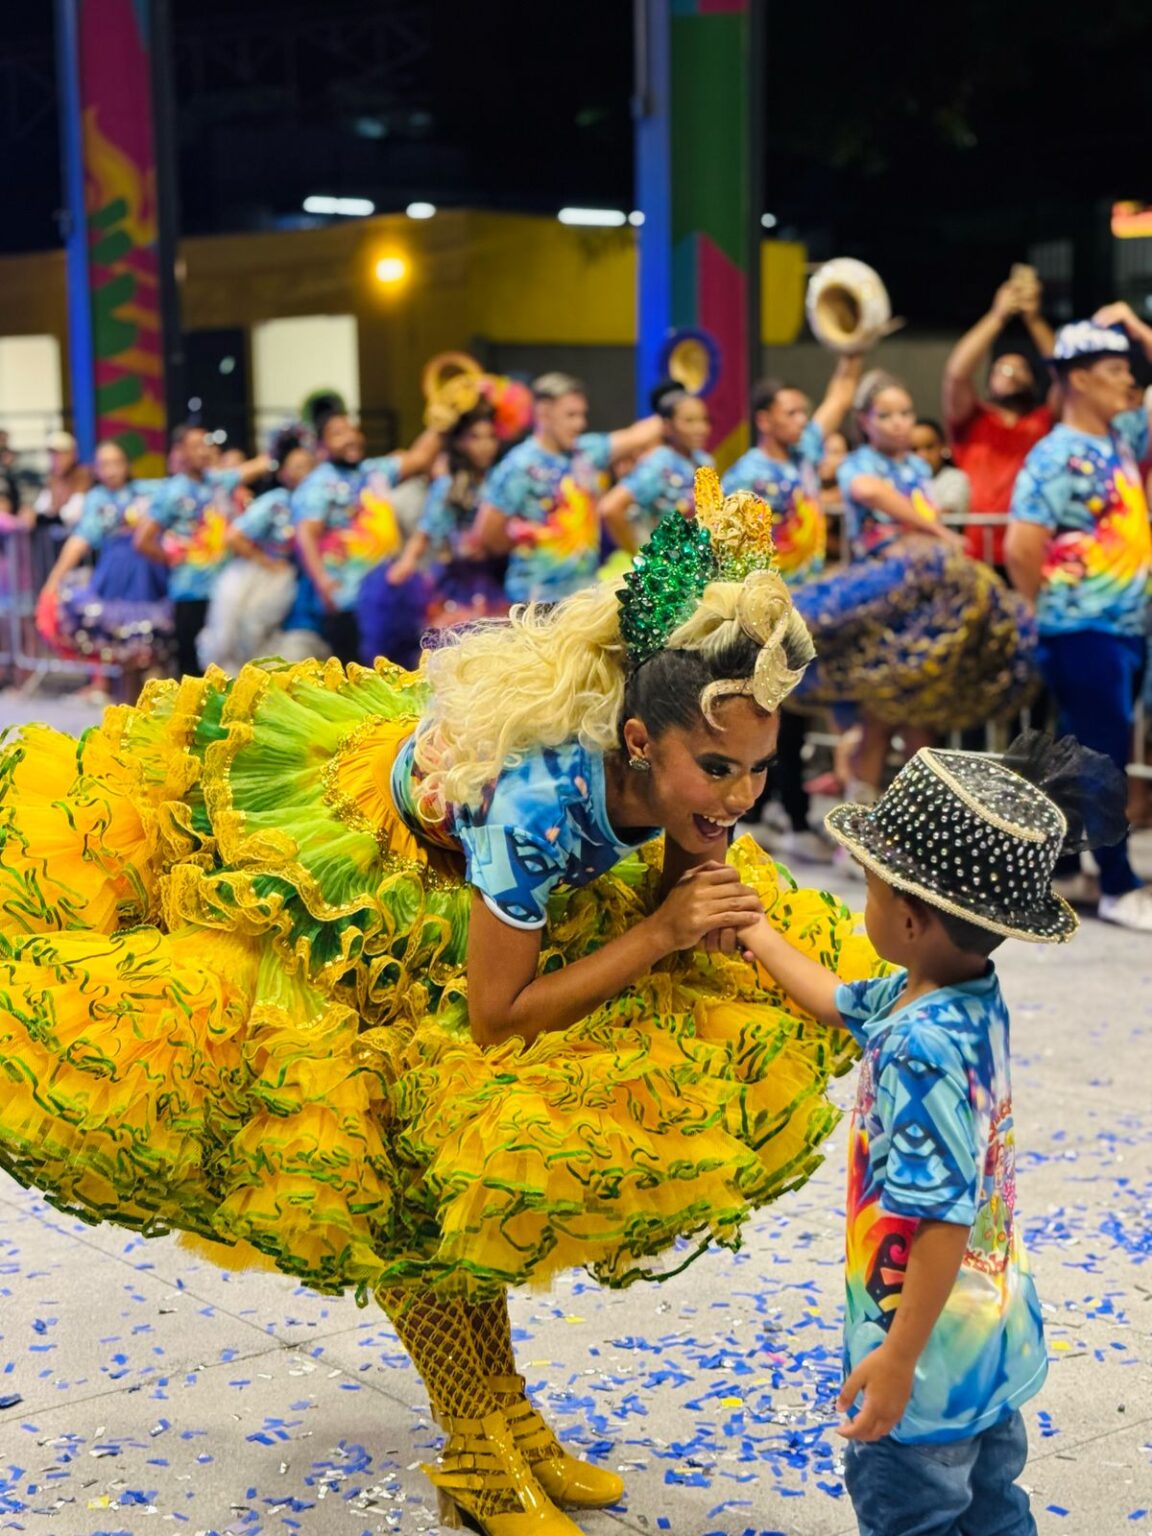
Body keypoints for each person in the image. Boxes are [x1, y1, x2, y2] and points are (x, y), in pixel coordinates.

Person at [0, 473, 879, 1536]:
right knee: (407, 1173)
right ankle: (473, 1442)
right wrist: (655, 937)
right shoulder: (538, 802)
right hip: (373, 890)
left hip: (502, 889)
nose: (739, 797)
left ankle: (505, 1414)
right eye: (719, 769)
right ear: (642, 743)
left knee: (479, 1164)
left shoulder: (693, 783)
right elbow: (499, 1016)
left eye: (758, 771)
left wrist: (740, 939)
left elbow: (684, 891)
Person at [743, 732, 1127, 1536]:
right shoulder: (960, 991)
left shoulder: (920, 1047)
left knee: (912, 1517)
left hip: (922, 1365)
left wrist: (896, 1360)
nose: (864, 903)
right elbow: (838, 1001)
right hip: (987, 1343)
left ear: (911, 920)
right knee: (994, 1510)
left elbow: (941, 1219)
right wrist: (757, 934)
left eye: (870, 891)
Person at [792, 370, 1036, 800]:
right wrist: (935, 532)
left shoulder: (917, 468)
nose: (899, 423)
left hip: (923, 614)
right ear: (864, 421)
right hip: (882, 609)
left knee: (921, 723)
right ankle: (860, 819)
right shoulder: (859, 465)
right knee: (878, 720)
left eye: (905, 413)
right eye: (886, 415)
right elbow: (869, 492)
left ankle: (916, 821)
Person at [1006, 310, 1152, 932]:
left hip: (1123, 628)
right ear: (1080, 379)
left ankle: (1063, 868)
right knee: (1103, 756)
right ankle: (1118, 883)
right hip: (1082, 630)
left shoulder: (1121, 439)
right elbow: (1021, 546)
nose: (1131, 381)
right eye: (1116, 369)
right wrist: (1049, 613)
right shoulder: (1054, 456)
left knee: (1081, 753)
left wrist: (1134, 328)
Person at [722, 358, 863, 862]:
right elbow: (728, 544)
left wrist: (851, 352)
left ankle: (779, 812)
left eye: (804, 411)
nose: (803, 420)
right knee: (771, 712)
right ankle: (776, 815)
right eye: (792, 412)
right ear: (764, 419)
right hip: (766, 612)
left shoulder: (803, 454)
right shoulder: (748, 474)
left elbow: (840, 396)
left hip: (805, 608)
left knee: (795, 714)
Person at [473, 371, 663, 604]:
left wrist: (681, 406)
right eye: (571, 415)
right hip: (535, 599)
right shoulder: (519, 465)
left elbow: (638, 435)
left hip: (583, 595)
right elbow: (488, 534)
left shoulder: (586, 451)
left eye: (582, 415)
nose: (580, 423)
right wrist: (537, 540)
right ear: (543, 413)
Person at [358, 402, 507, 669]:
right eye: (475, 437)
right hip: (456, 583)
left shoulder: (503, 480)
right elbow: (425, 532)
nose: (485, 445)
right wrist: (406, 564)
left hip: (499, 578)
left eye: (490, 437)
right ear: (459, 443)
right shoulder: (448, 486)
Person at [291, 407, 445, 665]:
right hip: (348, 601)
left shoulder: (375, 471)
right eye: (338, 434)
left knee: (396, 672)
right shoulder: (319, 483)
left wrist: (444, 418)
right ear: (322, 446)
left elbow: (421, 458)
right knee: (359, 677)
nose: (350, 437)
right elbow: (306, 534)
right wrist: (323, 582)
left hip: (388, 595)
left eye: (352, 430)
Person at [35, 439, 174, 697]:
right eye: (104, 464)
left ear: (127, 465)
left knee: (155, 651)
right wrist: (53, 581)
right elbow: (80, 540)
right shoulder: (97, 499)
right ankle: (128, 708)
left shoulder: (148, 491)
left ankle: (158, 709)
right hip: (115, 580)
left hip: (149, 577)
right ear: (96, 469)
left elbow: (183, 492)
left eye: (116, 463)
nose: (111, 470)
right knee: (123, 652)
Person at [134, 423, 269, 678]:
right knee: (192, 671)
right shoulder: (172, 492)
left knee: (223, 665)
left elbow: (251, 469)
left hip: (224, 590)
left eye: (206, 444)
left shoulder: (217, 482)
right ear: (180, 451)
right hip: (190, 591)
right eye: (196, 446)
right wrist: (171, 558)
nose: (204, 451)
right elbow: (142, 540)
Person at [943, 270, 1056, 565]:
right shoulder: (974, 420)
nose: (1011, 374)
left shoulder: (1045, 422)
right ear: (989, 380)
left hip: (1030, 551)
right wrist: (997, 316)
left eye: (1020, 369)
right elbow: (956, 373)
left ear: (1034, 381)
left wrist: (1034, 320)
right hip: (975, 550)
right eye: (1001, 369)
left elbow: (1067, 376)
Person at [196, 432, 316, 675]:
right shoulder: (277, 501)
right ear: (283, 473)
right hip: (263, 579)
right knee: (245, 637)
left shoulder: (313, 503)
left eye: (309, 466)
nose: (305, 472)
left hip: (295, 582)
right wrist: (267, 562)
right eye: (297, 466)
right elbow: (233, 536)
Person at [598, 382, 713, 553]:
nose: (701, 428)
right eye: (689, 421)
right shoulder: (660, 464)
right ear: (667, 426)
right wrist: (638, 554)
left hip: (696, 559)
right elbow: (610, 507)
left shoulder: (704, 460)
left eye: (705, 420)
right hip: (666, 563)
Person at [911, 418, 972, 520]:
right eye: (914, 449)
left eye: (929, 447)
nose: (923, 456)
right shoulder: (902, 479)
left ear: (943, 446)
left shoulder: (955, 478)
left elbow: (944, 513)